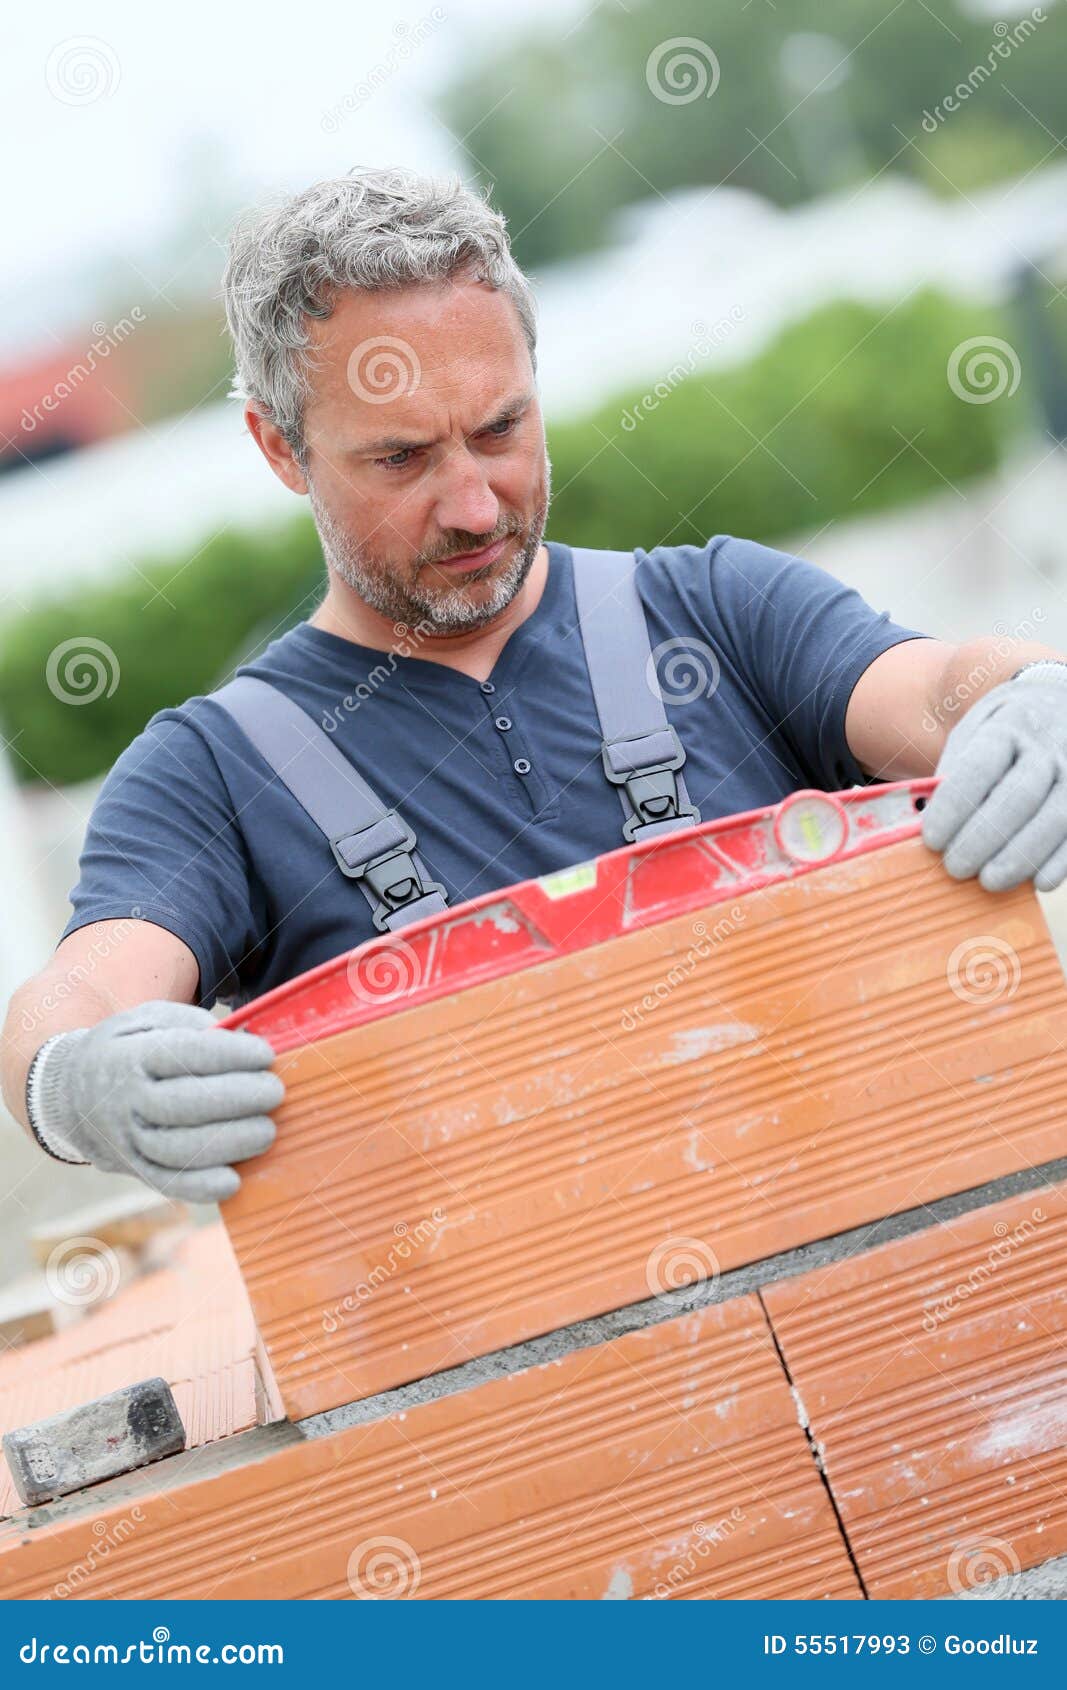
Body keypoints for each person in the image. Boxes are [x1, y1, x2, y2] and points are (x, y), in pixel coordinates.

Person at [5, 167, 1067, 1204]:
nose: (473, 504)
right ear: (280, 449)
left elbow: (937, 692)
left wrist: (1030, 692)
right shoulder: (212, 774)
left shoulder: (717, 609)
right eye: (402, 459)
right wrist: (69, 1080)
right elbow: (85, 990)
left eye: (500, 429)